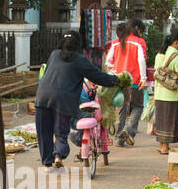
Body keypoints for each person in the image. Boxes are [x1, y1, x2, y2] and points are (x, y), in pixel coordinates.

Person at [34, 32, 118, 169]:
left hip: (42, 96)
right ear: (78, 44)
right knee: (60, 131)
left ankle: (47, 164)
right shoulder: (80, 60)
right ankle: (58, 156)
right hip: (63, 99)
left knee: (44, 131)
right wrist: (116, 80)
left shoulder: (54, 55)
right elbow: (97, 76)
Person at [106, 21, 148, 146]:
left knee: (121, 108)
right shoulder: (139, 42)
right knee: (138, 106)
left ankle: (119, 138)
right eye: (141, 30)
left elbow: (108, 62)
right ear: (136, 28)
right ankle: (128, 130)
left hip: (119, 80)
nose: (141, 34)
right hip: (134, 80)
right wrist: (143, 78)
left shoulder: (116, 42)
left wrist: (112, 76)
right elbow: (141, 60)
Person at [153, 26, 178, 154]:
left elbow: (157, 75)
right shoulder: (177, 56)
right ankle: (165, 147)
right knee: (169, 121)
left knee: (161, 120)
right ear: (176, 43)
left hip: (159, 93)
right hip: (171, 95)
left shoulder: (159, 55)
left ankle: (161, 145)